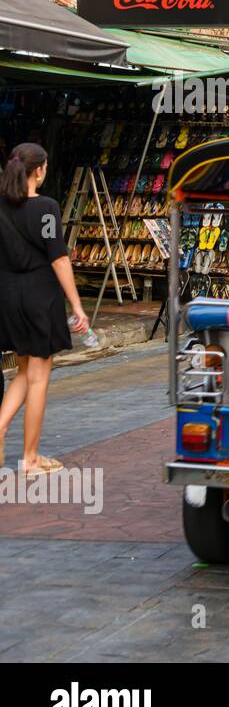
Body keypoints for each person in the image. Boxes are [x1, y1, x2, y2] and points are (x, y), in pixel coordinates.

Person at [0, 144, 89, 475]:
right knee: (38, 378)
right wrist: (77, 305)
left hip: (7, 296)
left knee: (24, 372)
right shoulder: (47, 208)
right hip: (40, 296)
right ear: (38, 170)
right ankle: (31, 458)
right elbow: (59, 258)